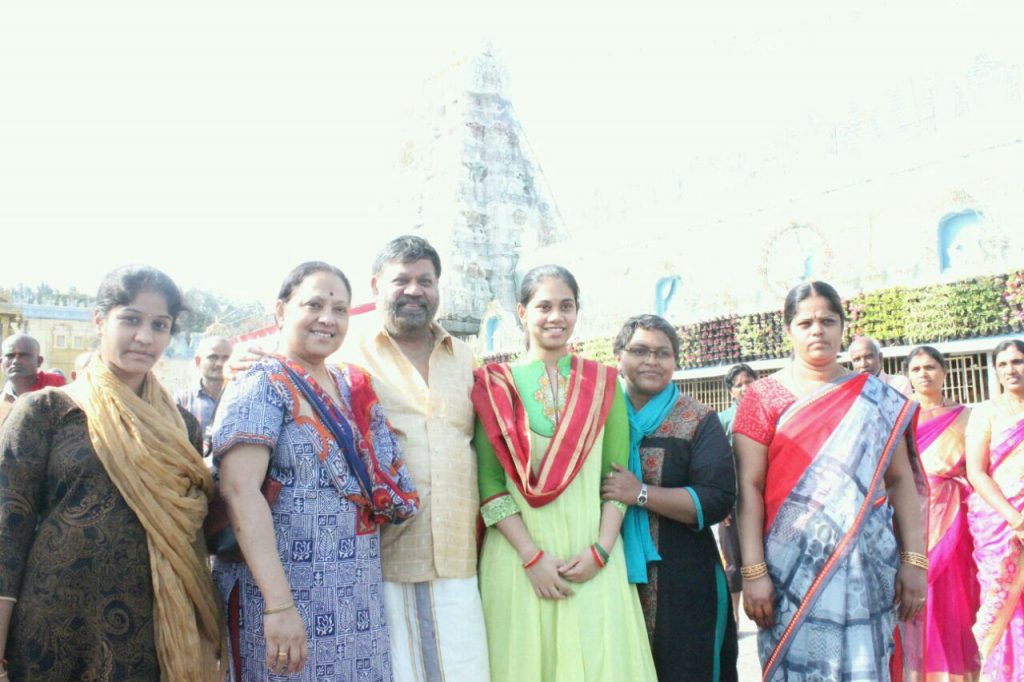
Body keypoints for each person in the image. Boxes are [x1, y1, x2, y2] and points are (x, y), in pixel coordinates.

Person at [0, 265, 222, 681]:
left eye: (160, 325)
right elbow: (8, 528)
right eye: (131, 319)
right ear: (100, 321)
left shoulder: (181, 427)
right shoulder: (46, 411)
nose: (145, 337)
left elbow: (189, 529)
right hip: (54, 628)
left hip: (153, 627)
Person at [212, 261, 419, 681]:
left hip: (356, 594)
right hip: (282, 594)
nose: (328, 318)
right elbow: (239, 491)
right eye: (314, 304)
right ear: (282, 311)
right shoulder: (260, 383)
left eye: (340, 309)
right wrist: (279, 604)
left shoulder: (351, 386)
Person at [733, 281, 927, 681]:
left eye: (827, 320)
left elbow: (900, 481)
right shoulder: (763, 397)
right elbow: (747, 488)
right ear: (788, 331)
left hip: (866, 566)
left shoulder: (876, 397)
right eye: (805, 322)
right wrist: (754, 572)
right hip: (788, 570)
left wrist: (914, 560)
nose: (817, 330)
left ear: (842, 327)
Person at [472, 265, 656, 681]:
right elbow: (489, 484)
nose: (556, 316)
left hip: (590, 556)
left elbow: (616, 481)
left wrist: (602, 551)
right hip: (519, 561)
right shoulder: (493, 386)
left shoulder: (604, 383)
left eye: (566, 306)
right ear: (522, 312)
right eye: (544, 306)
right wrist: (531, 557)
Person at [344, 236, 491, 681]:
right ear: (375, 285)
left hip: (459, 553)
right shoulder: (347, 355)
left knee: (467, 668)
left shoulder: (466, 358)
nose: (414, 290)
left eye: (424, 281)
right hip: (384, 554)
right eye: (401, 280)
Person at [602, 314, 738, 681]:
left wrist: (640, 493)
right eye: (640, 350)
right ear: (618, 355)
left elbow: (716, 498)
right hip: (606, 574)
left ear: (675, 361)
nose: (651, 361)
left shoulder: (698, 420)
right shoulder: (597, 416)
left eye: (663, 353)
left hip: (684, 584)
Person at [904, 345, 981, 681]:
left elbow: (980, 467)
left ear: (944, 371)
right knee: (914, 593)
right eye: (917, 368)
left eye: (931, 366)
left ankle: (956, 670)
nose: (924, 374)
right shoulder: (901, 416)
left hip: (953, 516)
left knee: (953, 596)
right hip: (908, 515)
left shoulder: (967, 416)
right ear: (908, 375)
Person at [965, 339, 1024, 680]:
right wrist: (1015, 519)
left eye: (1017, 361)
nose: (1010, 369)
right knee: (1000, 603)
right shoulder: (985, 412)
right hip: (999, 524)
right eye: (1003, 364)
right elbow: (976, 472)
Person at [717, 362, 757, 622]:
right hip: (732, 502)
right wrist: (721, 505)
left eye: (748, 381)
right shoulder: (723, 420)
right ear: (731, 392)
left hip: (764, 498)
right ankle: (734, 618)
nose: (744, 388)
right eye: (738, 385)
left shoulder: (770, 414)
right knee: (733, 564)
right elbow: (717, 464)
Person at [176, 335, 233, 457]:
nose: (220, 363)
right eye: (213, 357)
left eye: (226, 358)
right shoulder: (181, 401)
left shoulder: (241, 398)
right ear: (198, 361)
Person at [1, 334, 66, 424]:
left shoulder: (58, 390)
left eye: (23, 356)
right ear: (1, 362)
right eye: (10, 356)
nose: (16, 361)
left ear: (39, 361)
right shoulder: (2, 400)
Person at [848, 335, 913, 396]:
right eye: (857, 360)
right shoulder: (848, 390)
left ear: (880, 357)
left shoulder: (898, 383)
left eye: (868, 357)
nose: (863, 364)